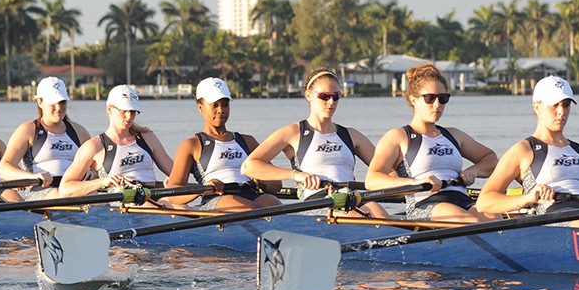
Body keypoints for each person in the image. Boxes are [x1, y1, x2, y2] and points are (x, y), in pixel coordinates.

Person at [475, 76, 579, 228]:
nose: (561, 111)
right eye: (555, 105)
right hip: (555, 218)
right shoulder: (523, 150)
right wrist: (527, 198)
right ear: (537, 107)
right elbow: (484, 202)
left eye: (566, 105)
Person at [241, 67, 389, 218]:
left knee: (381, 214)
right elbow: (249, 166)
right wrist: (295, 175)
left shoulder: (351, 135)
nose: (331, 102)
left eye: (336, 96)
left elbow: (386, 170)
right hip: (317, 202)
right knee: (362, 219)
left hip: (350, 197)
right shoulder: (293, 133)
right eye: (324, 96)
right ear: (308, 95)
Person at [365, 64, 498, 223]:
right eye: (430, 98)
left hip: (462, 198)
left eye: (443, 98)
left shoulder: (454, 135)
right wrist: (416, 182)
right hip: (425, 203)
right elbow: (372, 180)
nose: (437, 105)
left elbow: (491, 159)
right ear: (413, 99)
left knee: (496, 217)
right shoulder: (398, 137)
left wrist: (474, 171)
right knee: (470, 222)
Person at [163, 77, 280, 211]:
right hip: (216, 197)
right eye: (215, 105)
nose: (221, 110)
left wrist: (264, 183)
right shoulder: (191, 145)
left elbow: (276, 184)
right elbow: (173, 193)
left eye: (225, 104)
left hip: (249, 192)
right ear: (200, 108)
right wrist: (202, 189)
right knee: (249, 210)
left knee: (274, 205)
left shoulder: (248, 141)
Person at [58, 84, 175, 199]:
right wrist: (102, 182)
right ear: (109, 109)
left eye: (133, 111)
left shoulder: (147, 137)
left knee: (184, 203)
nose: (129, 116)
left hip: (152, 197)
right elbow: (65, 189)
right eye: (123, 111)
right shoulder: (94, 146)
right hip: (121, 205)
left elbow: (175, 172)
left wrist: (176, 180)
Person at [0, 76, 90, 198]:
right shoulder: (28, 130)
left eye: (62, 102)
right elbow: (3, 169)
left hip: (73, 188)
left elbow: (97, 165)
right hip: (42, 189)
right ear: (40, 102)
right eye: (53, 103)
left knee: (97, 201)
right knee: (63, 195)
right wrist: (30, 176)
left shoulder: (79, 131)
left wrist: (93, 173)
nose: (58, 108)